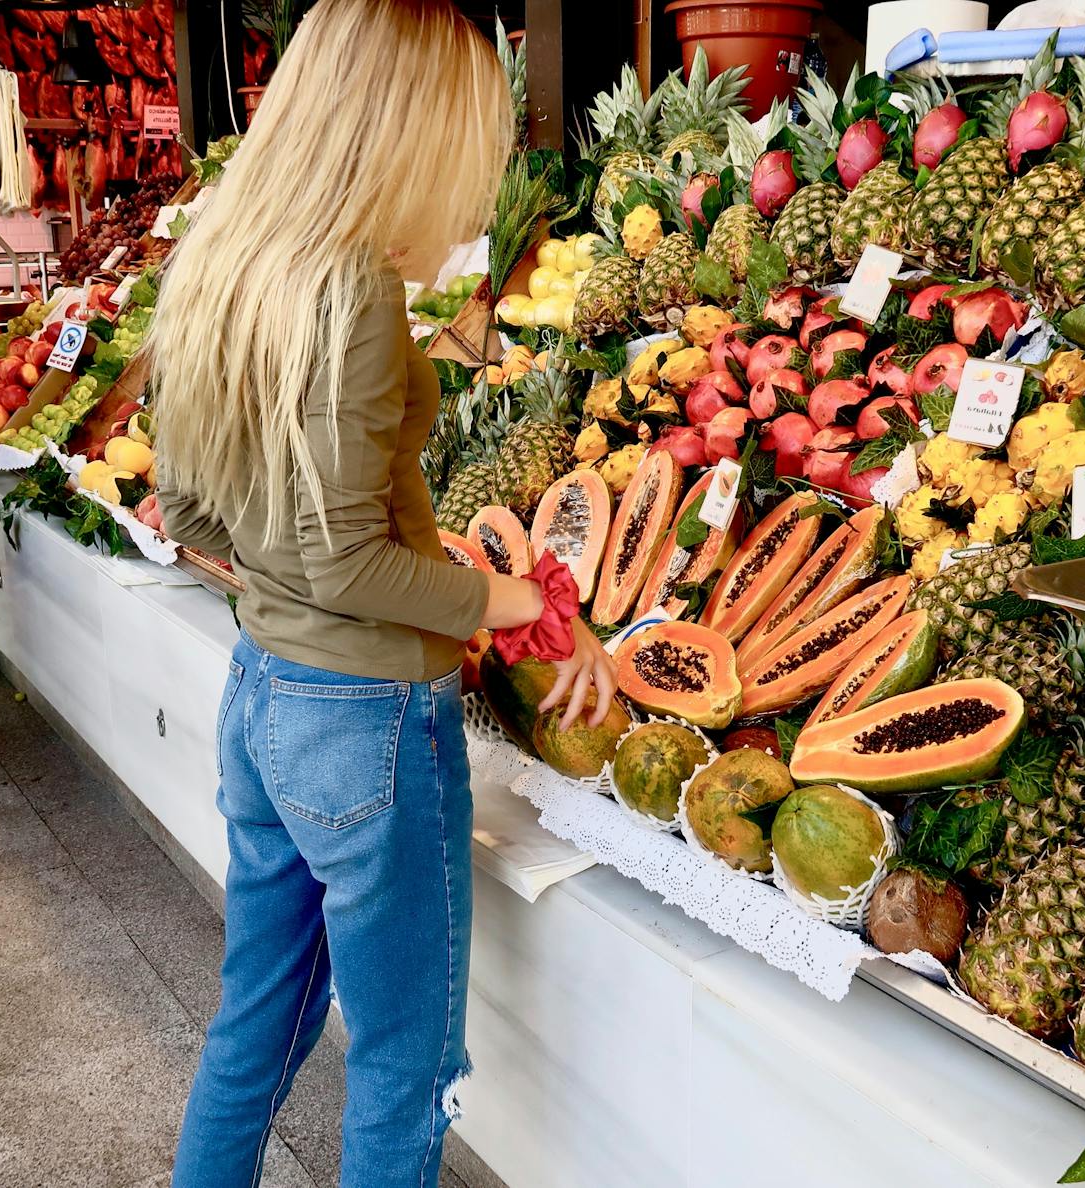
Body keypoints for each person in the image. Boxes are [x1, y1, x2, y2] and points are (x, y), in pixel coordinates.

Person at [149, 4, 615, 1184]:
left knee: (257, 1021)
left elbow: (190, 512)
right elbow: (347, 564)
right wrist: (517, 605)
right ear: (410, 127)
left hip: (261, 695)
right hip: (363, 721)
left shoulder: (228, 261)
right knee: (406, 1065)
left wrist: (317, 563)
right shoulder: (352, 289)